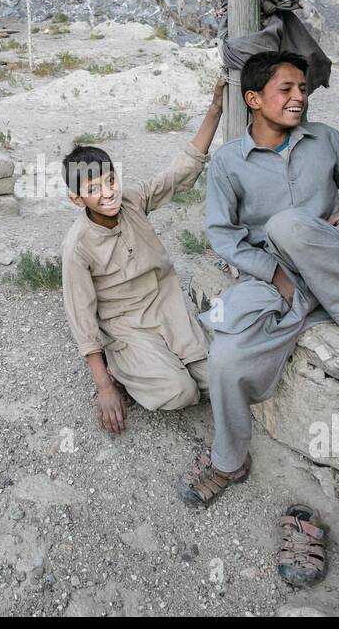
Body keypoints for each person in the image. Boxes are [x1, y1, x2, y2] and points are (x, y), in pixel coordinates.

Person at [182, 51, 339, 506]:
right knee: (226, 357)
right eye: (287, 89)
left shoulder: (327, 139)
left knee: (288, 224)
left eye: (303, 89)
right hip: (277, 274)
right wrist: (274, 274)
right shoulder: (228, 163)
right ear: (254, 99)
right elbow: (224, 235)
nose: (299, 97)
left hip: (334, 255)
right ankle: (228, 460)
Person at [60, 78, 226, 433]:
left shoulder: (132, 200)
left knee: (216, 381)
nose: (107, 193)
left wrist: (215, 110)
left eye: (109, 180)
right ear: (77, 199)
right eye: (92, 189)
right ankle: (123, 367)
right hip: (126, 324)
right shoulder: (78, 246)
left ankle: (161, 363)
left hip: (166, 305)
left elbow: (179, 172)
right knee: (180, 392)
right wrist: (104, 385)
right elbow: (81, 317)